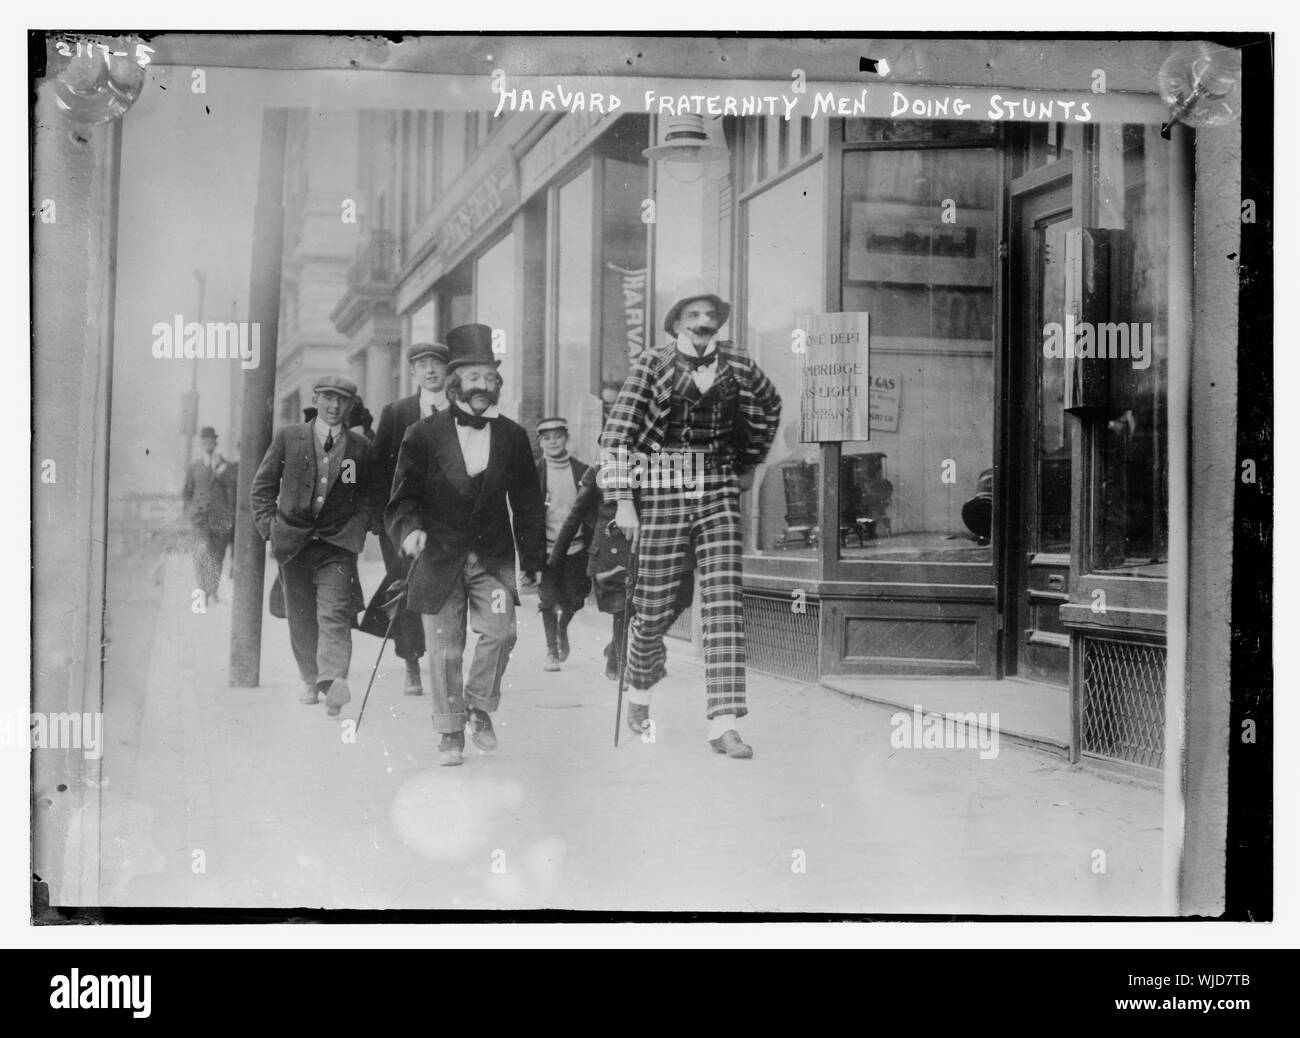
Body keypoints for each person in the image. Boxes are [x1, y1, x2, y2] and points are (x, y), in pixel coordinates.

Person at [601, 284, 781, 759]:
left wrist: (748, 463)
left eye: (711, 314)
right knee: (654, 604)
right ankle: (639, 690)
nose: (704, 322)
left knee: (724, 602)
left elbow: (771, 405)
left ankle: (724, 723)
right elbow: (617, 434)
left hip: (719, 486)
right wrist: (623, 500)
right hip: (661, 486)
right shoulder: (652, 363)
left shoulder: (738, 363)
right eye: (694, 313)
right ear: (678, 321)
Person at [385, 323, 546, 767]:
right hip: (438, 557)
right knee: (445, 648)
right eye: (474, 378)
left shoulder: (512, 436)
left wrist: (533, 559)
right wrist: (410, 529)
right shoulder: (422, 434)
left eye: (490, 379)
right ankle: (450, 732)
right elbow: (402, 499)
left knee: (502, 632)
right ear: (456, 381)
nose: (483, 386)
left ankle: (478, 706)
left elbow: (529, 503)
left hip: (491, 559)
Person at [251, 375, 374, 717]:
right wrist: (270, 531)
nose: (334, 406)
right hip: (293, 542)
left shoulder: (360, 448)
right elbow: (261, 489)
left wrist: (358, 529)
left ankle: (333, 681)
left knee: (334, 611)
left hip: (337, 545)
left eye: (343, 401)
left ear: (351, 406)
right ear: (316, 399)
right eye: (328, 398)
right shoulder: (289, 438)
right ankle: (309, 677)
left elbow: (368, 497)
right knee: (301, 615)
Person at [366, 342, 451, 695]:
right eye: (422, 365)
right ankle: (411, 662)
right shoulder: (397, 412)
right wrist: (381, 521)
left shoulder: (459, 412)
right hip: (401, 522)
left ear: (447, 371)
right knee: (406, 589)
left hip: (445, 523)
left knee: (444, 590)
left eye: (436, 364)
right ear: (413, 373)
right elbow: (378, 470)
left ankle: (444, 659)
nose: (430, 370)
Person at [534, 417, 592, 671]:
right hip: (546, 549)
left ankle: (562, 628)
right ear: (540, 443)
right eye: (546, 438)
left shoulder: (582, 470)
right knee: (547, 599)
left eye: (557, 436)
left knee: (575, 598)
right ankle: (551, 651)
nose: (553, 441)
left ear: (566, 438)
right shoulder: (534, 472)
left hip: (577, 547)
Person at [181, 426, 234, 604]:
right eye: (204, 442)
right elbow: (187, 493)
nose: (208, 444)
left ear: (215, 443)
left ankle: (214, 591)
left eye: (211, 441)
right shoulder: (194, 467)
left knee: (218, 555)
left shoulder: (224, 464)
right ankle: (202, 591)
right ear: (201, 444)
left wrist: (222, 469)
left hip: (219, 518)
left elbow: (233, 485)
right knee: (201, 555)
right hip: (200, 519)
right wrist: (191, 512)